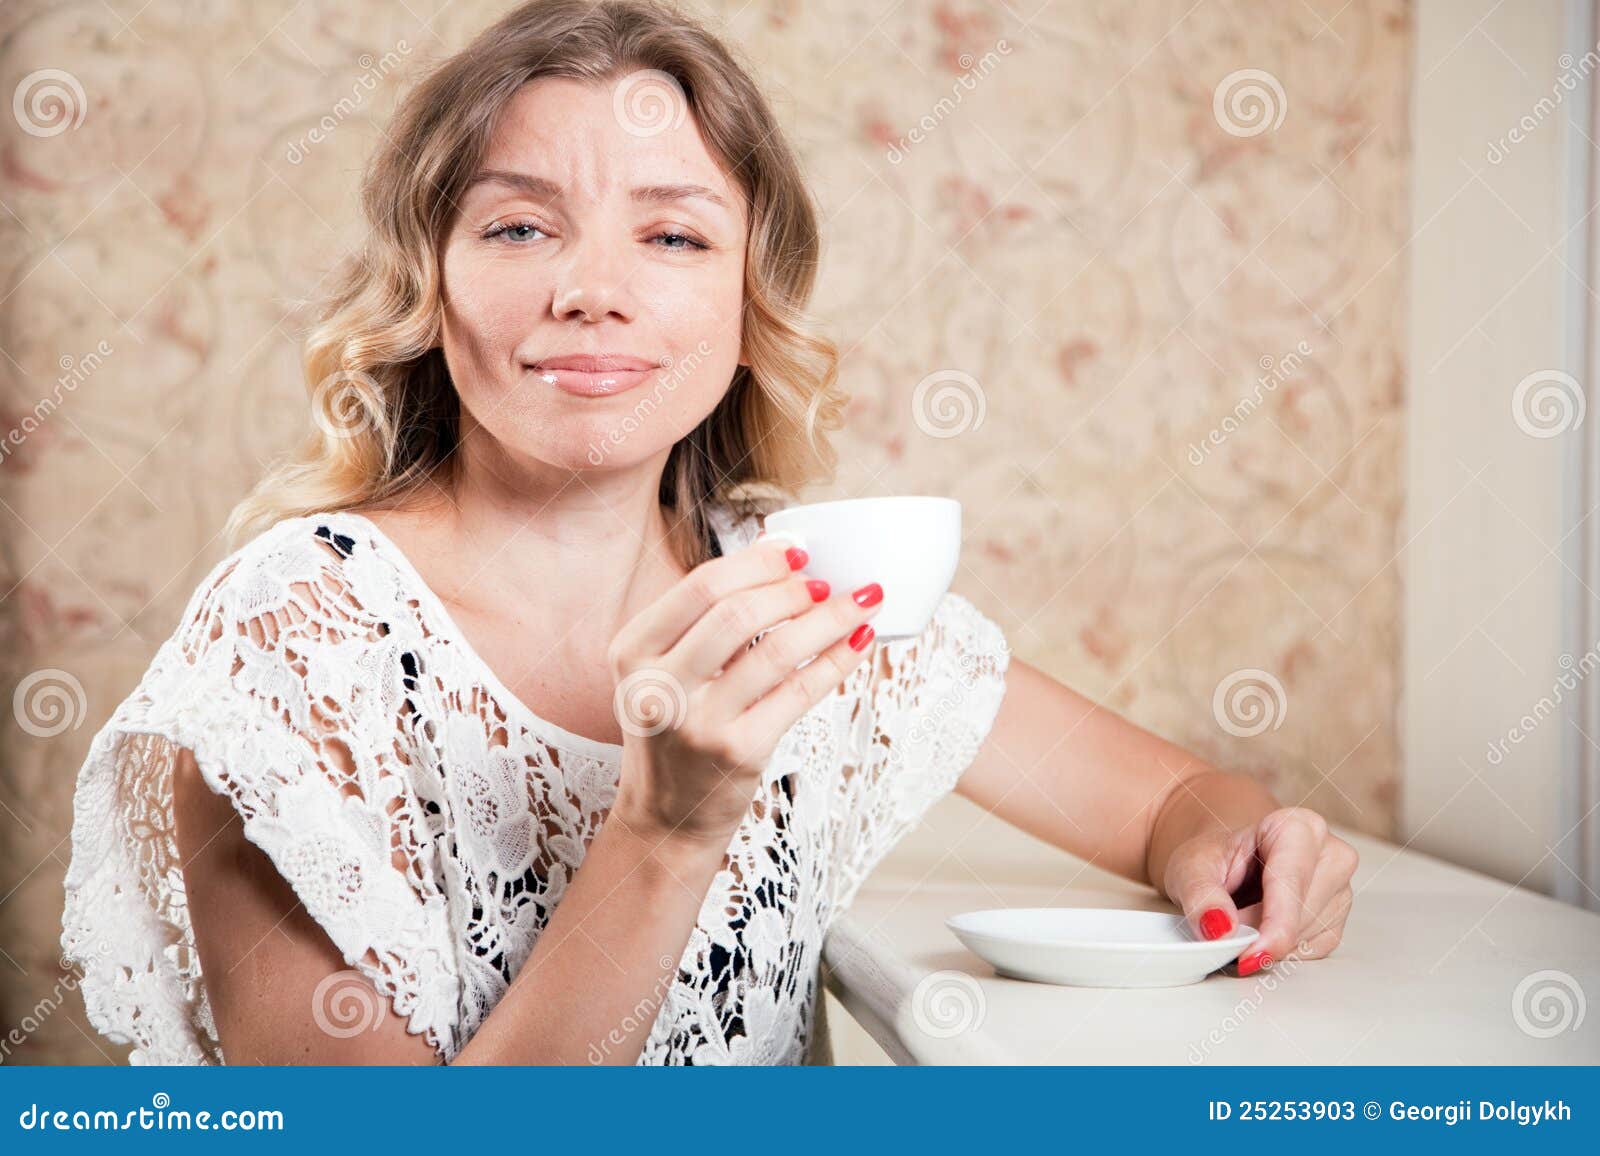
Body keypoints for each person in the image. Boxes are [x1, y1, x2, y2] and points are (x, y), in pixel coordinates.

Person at [59, 0, 1356, 1066]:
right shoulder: (289, 646)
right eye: (518, 226)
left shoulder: (801, 595)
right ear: (429, 285)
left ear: (745, 303)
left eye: (672, 234)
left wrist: (1238, 855)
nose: (592, 291)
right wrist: (667, 831)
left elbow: (1181, 801)